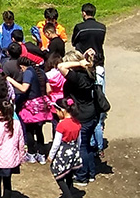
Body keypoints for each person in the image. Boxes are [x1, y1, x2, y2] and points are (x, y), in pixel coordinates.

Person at [59, 50, 99, 186]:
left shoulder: (76, 78)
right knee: (86, 145)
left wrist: (78, 63)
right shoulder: (89, 73)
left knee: (81, 146)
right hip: (92, 114)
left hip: (82, 116)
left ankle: (82, 176)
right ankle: (91, 173)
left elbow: (60, 66)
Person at [9, 56, 50, 164]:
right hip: (41, 104)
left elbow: (23, 88)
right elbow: (48, 89)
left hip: (30, 105)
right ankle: (41, 155)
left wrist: (11, 80)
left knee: (29, 130)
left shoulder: (28, 72)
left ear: (22, 66)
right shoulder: (41, 71)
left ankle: (31, 154)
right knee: (39, 130)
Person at [0, 99, 26, 198]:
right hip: (12, 159)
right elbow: (21, 142)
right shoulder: (17, 124)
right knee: (7, 182)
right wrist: (21, 157)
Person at [47, 98, 84, 198]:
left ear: (62, 111)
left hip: (63, 153)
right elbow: (79, 140)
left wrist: (50, 156)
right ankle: (68, 192)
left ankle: (67, 195)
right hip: (74, 152)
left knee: (57, 174)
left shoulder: (61, 125)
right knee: (69, 173)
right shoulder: (77, 123)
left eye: (57, 111)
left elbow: (56, 144)